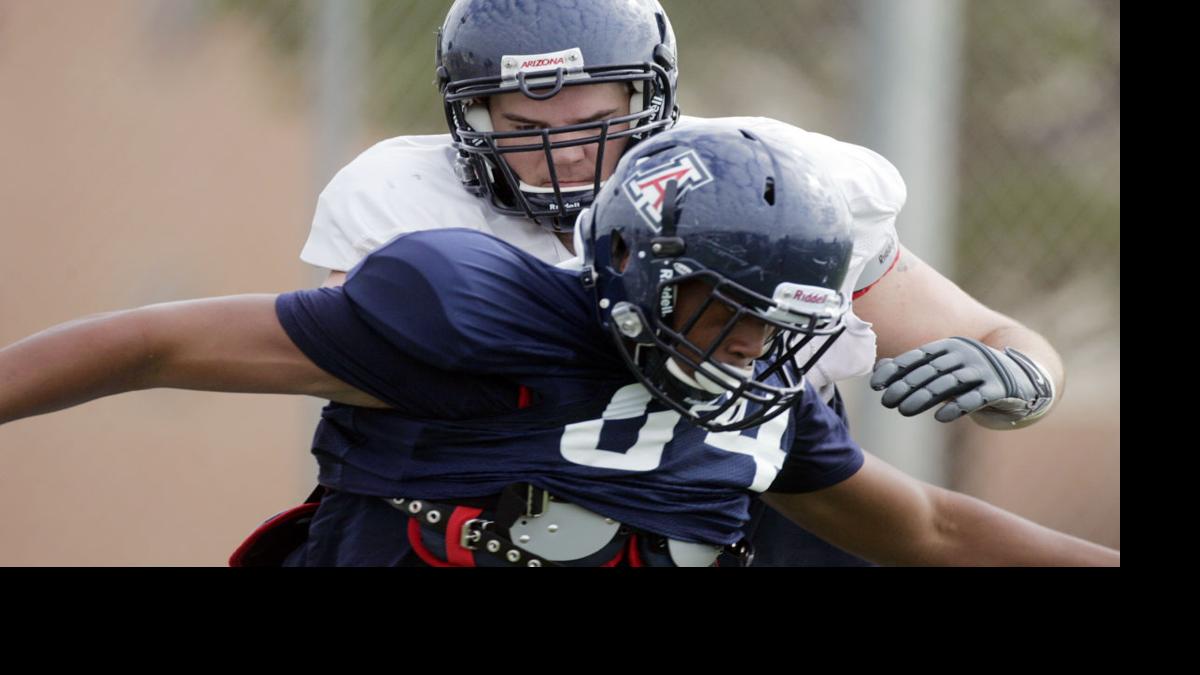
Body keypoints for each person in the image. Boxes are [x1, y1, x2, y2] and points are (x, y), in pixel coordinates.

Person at [0, 124, 1115, 567]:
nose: (757, 343)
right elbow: (148, 343)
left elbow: (935, 527)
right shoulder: (462, 315)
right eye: (731, 309)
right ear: (633, 272)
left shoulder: (768, 404)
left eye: (787, 321)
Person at [295, 0, 1064, 565]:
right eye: (526, 130)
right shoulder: (409, 199)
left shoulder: (747, 191)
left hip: (739, 515)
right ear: (474, 117)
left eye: (592, 119)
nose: (564, 154)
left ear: (648, 101)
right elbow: (357, 376)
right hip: (496, 519)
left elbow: (996, 335)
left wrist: (1021, 376)